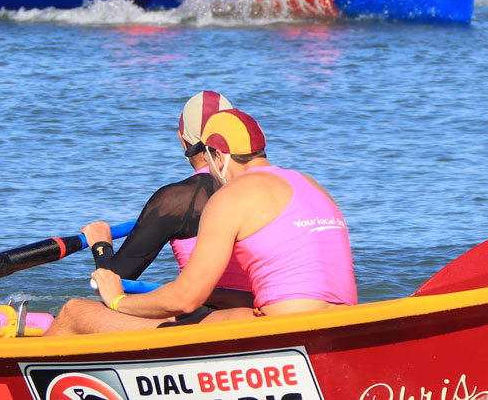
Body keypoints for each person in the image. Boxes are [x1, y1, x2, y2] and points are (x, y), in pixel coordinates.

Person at [45, 108, 355, 336]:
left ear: (219, 156)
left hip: (277, 330)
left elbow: (183, 299)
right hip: (341, 324)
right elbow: (299, 291)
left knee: (74, 312)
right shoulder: (312, 185)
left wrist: (117, 301)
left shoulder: (231, 196)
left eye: (208, 160)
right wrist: (215, 294)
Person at [100, 92, 253, 310]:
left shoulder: (174, 202)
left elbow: (110, 283)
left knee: (75, 310)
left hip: (205, 316)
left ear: (182, 139)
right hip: (262, 307)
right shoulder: (267, 186)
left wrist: (101, 243)